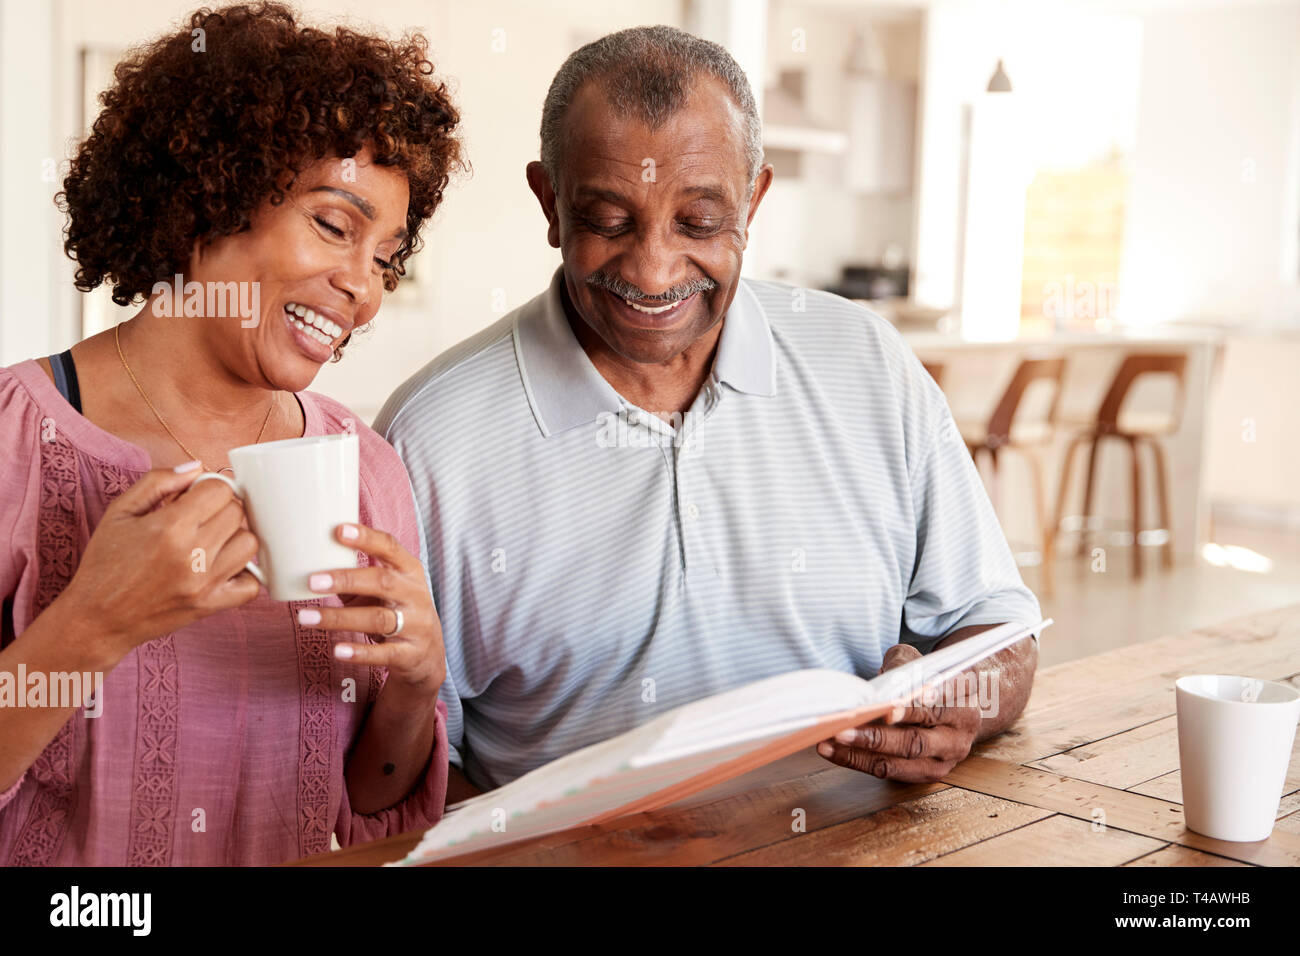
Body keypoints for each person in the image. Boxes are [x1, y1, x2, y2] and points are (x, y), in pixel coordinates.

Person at [377, 25, 1043, 797]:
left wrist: (957, 701)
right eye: (609, 221)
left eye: (698, 222)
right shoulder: (431, 439)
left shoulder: (868, 365)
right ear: (549, 203)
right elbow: (404, 780)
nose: (653, 271)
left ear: (753, 201)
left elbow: (1002, 632)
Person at [0, 2, 462, 865]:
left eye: (387, 257)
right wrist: (94, 622)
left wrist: (415, 685)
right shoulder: (17, 437)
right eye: (335, 225)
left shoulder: (365, 469)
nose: (364, 287)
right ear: (207, 197)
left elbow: (370, 801)